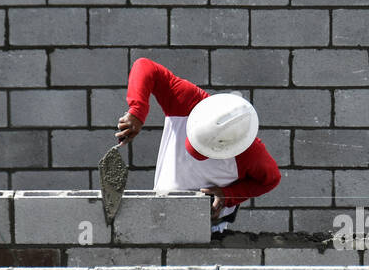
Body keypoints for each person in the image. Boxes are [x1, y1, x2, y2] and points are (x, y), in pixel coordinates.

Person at [116, 57, 281, 234]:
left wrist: (229, 195)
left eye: (207, 151)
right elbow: (145, 66)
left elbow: (271, 180)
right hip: (160, 215)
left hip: (208, 230)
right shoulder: (187, 100)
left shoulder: (249, 151)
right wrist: (137, 111)